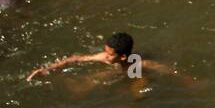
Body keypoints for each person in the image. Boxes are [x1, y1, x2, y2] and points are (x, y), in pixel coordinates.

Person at [26, 32, 167, 81]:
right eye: (105, 51)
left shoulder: (140, 64)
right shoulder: (104, 57)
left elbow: (170, 71)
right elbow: (74, 59)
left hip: (135, 74)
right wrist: (46, 69)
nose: (105, 56)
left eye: (109, 55)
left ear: (123, 57)